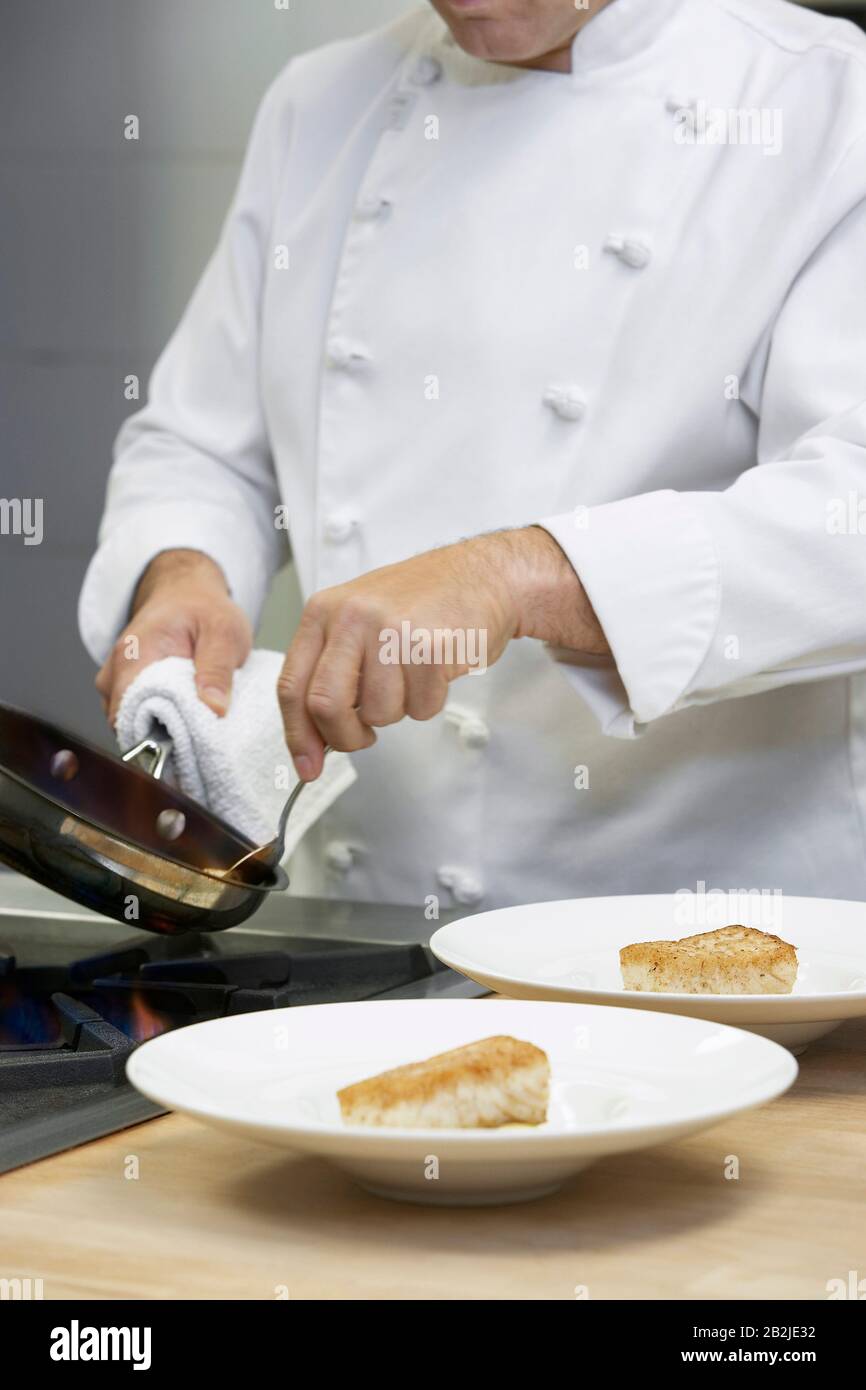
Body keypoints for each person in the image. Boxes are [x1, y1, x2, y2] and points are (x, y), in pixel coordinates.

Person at [81, 0, 866, 910]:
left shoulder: (822, 98)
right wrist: (183, 574)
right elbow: (202, 443)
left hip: (696, 943)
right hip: (360, 920)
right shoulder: (321, 103)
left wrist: (514, 578)